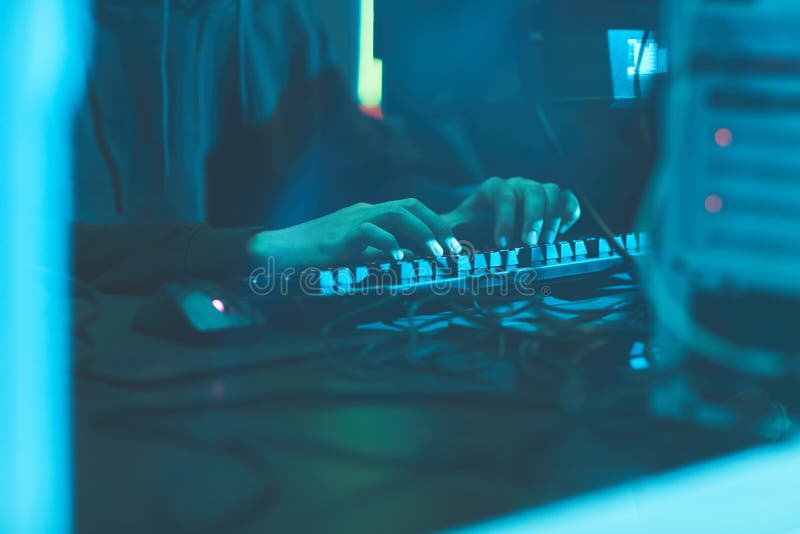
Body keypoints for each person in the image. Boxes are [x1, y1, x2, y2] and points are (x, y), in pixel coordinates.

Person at [73, 0, 581, 294]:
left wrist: (462, 206)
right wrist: (260, 246)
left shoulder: (278, 18)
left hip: (247, 366)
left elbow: (360, 172)